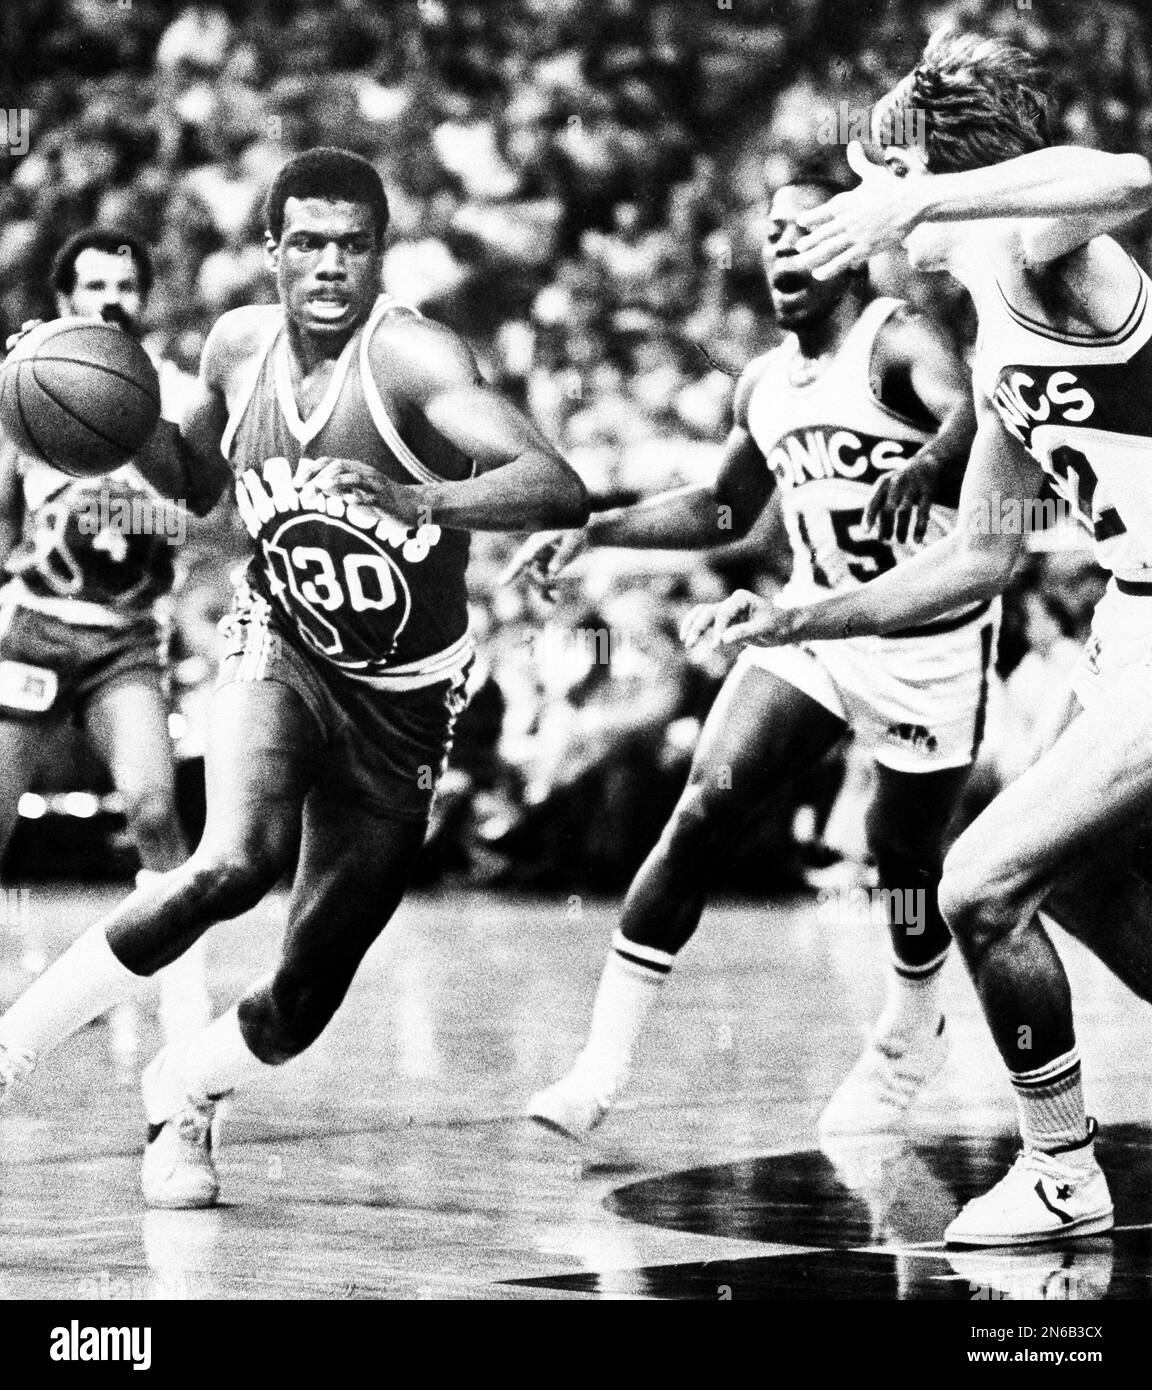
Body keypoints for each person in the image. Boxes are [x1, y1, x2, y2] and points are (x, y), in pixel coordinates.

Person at [0, 147, 588, 1209]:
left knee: (304, 997)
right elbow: (199, 486)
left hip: (406, 702)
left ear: (380, 253)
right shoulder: (236, 345)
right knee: (234, 858)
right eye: (307, 243)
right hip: (282, 643)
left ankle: (184, 1086)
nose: (329, 265)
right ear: (271, 250)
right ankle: (10, 1052)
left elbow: (557, 486)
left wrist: (427, 503)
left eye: (351, 245)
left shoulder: (410, 357)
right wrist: (124, 416)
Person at [685, 32, 1152, 1246]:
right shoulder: (997, 330)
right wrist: (796, 614)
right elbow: (975, 560)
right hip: (1130, 614)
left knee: (979, 883)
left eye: (874, 179)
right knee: (1082, 882)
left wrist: (927, 188)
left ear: (932, 172)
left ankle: (1061, 1170)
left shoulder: (1045, 252)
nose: (861, 212)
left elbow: (1134, 173)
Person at [505, 169, 991, 1141]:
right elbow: (724, 510)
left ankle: (908, 1029)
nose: (783, 248)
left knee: (904, 861)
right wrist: (592, 527)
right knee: (702, 808)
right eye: (773, 233)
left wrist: (935, 460)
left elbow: (971, 410)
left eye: (808, 231)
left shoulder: (896, 338)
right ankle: (599, 1071)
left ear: (853, 246)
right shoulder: (766, 382)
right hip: (807, 625)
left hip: (923, 636)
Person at [0, 229, 209, 1050]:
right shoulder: (23, 389)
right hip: (33, 630)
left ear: (146, 297)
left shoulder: (181, 395)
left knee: (158, 813)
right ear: (64, 302)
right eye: (95, 286)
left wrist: (126, 511)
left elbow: (221, 525)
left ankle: (185, 1013)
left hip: (125, 641)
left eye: (127, 284)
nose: (112, 299)